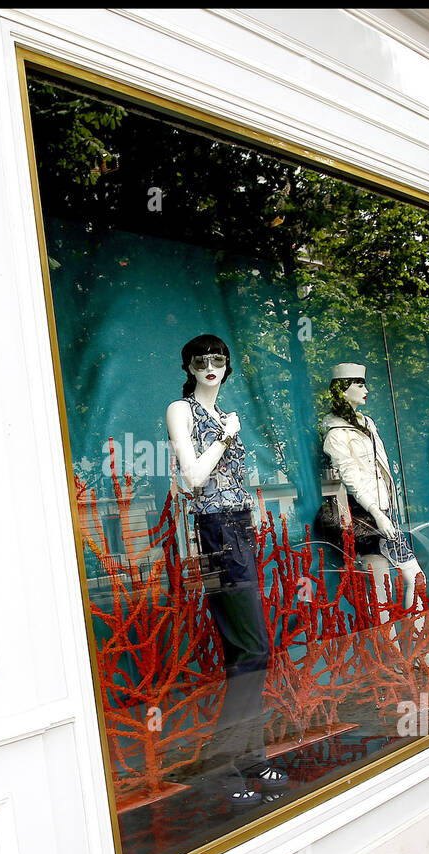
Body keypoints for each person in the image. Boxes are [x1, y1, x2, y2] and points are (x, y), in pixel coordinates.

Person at [166, 334, 288, 806]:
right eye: (202, 360)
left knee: (245, 652)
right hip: (215, 533)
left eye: (219, 360)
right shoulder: (184, 410)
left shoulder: (224, 415)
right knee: (253, 647)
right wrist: (224, 437)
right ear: (190, 366)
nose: (211, 366)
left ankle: (249, 753)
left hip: (240, 529)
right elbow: (193, 479)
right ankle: (221, 762)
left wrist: (226, 431)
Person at [320, 363, 426, 639]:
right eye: (359, 385)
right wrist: (378, 514)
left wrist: (388, 508)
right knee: (382, 592)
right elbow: (351, 479)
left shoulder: (367, 424)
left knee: (411, 578)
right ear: (344, 389)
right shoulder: (335, 434)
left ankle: (415, 648)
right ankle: (397, 656)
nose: (366, 390)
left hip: (383, 512)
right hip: (365, 516)